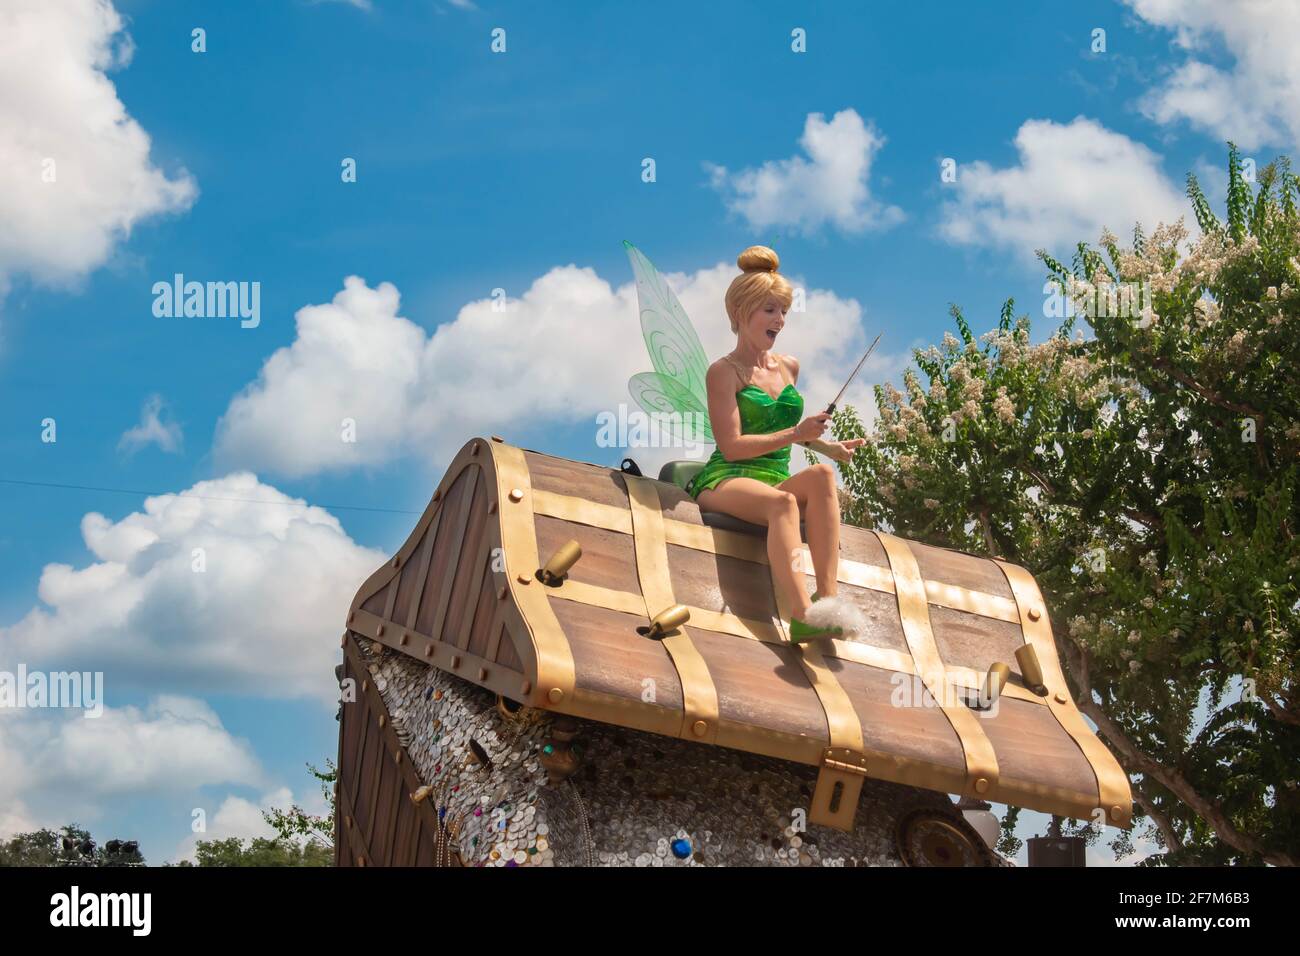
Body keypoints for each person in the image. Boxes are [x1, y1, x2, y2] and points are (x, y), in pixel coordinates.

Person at [686, 246, 865, 642]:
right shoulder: (723, 372)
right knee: (783, 504)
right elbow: (732, 446)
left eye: (783, 310)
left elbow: (783, 428)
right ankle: (802, 614)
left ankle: (828, 601)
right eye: (770, 310)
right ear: (741, 313)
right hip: (728, 479)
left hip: (773, 475)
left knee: (821, 475)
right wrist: (797, 434)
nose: (780, 320)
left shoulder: (788, 366)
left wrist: (829, 448)